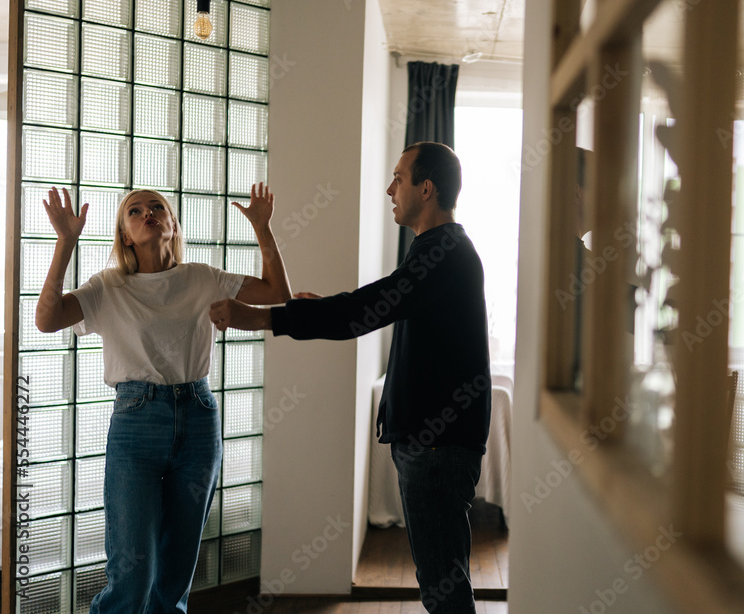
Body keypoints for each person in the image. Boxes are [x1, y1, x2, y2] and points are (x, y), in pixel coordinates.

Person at [210, 142, 491, 614]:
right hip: (433, 445)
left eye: (398, 178)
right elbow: (379, 307)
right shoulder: (439, 251)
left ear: (427, 188)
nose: (389, 189)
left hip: (437, 447)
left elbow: (364, 310)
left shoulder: (443, 251)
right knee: (442, 580)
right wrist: (318, 308)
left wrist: (263, 318)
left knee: (443, 586)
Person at [35, 184, 291, 613]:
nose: (147, 212)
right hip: (137, 425)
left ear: (173, 225)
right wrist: (65, 242)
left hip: (198, 420)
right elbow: (46, 319)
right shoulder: (108, 287)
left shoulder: (201, 277)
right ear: (125, 234)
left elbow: (277, 294)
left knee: (171, 583)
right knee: (131, 579)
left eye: (157, 207)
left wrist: (263, 229)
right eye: (134, 211)